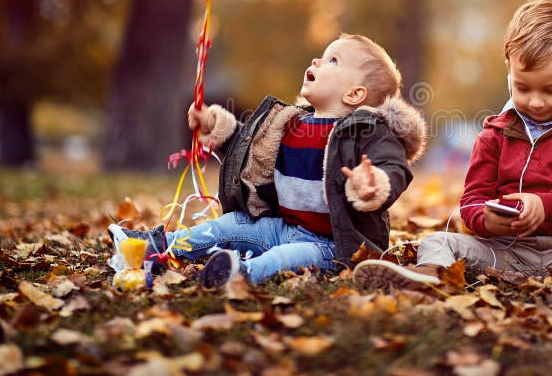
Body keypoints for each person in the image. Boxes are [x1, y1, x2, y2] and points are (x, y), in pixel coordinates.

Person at [353, 0, 552, 310]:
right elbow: (472, 201)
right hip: (505, 251)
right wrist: (487, 221)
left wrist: (546, 205)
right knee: (437, 241)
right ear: (509, 70)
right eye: (523, 88)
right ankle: (427, 278)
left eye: (551, 90)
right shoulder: (493, 135)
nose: (536, 101)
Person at [110, 34, 426, 287]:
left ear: (354, 95)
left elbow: (393, 165)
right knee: (227, 226)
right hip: (281, 227)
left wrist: (374, 183)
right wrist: (214, 125)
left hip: (332, 245)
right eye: (322, 55)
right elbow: (252, 150)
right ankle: (158, 245)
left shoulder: (367, 132)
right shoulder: (289, 122)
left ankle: (240, 273)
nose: (316, 61)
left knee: (285, 258)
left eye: (333, 60)